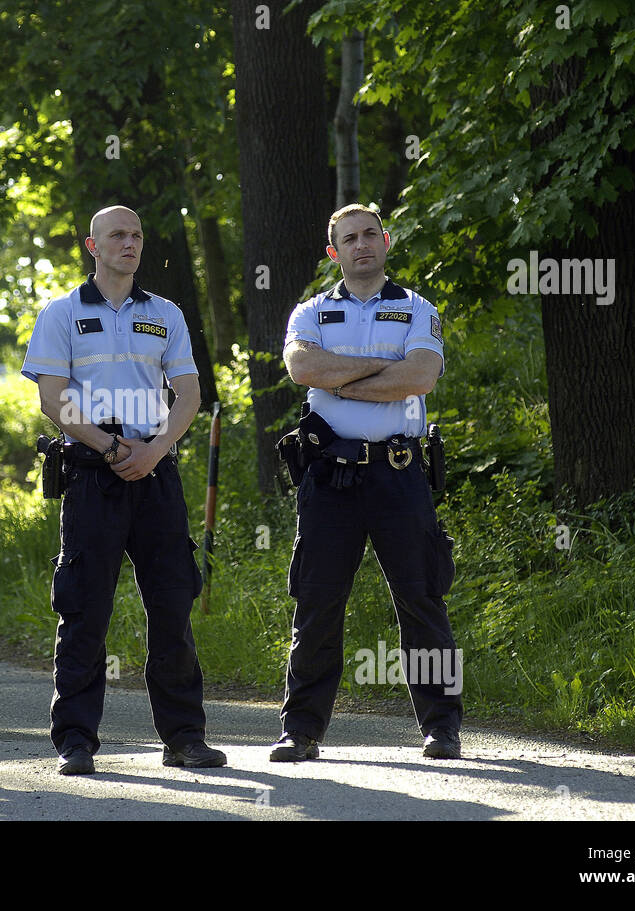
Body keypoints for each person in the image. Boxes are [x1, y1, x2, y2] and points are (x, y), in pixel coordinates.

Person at [21, 205, 225, 776]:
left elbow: (188, 393)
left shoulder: (167, 314)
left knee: (171, 606)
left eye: (136, 234)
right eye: (117, 235)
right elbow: (54, 397)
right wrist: (111, 450)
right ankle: (76, 740)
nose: (129, 243)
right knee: (84, 609)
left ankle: (184, 737)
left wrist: (153, 450)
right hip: (92, 474)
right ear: (93, 245)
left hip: (156, 472)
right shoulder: (61, 313)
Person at [272, 203, 462, 763]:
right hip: (329, 479)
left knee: (423, 599)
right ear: (335, 252)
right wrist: (381, 373)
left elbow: (421, 376)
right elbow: (304, 370)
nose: (362, 245)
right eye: (349, 238)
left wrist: (342, 377)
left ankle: (442, 727)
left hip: (400, 474)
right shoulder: (310, 312)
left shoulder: (416, 308)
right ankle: (301, 730)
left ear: (386, 241)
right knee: (317, 603)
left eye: (370, 235)